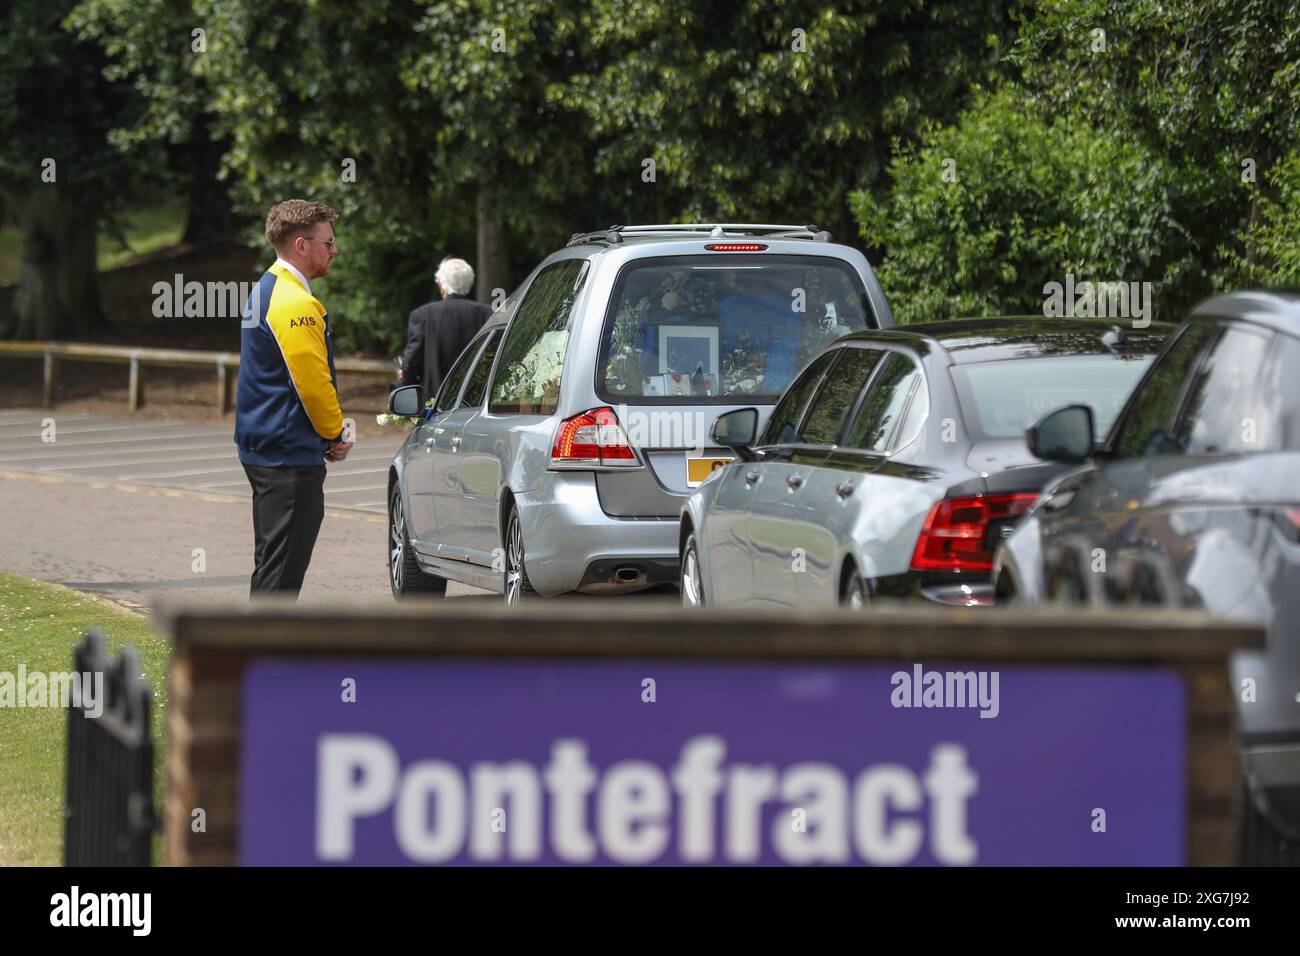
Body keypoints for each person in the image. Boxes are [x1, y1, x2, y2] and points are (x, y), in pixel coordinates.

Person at [233, 199, 352, 597]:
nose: (334, 250)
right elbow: (312, 383)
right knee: (281, 574)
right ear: (302, 245)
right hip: (287, 455)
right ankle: (261, 655)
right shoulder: (294, 302)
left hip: (266, 447)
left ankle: (254, 651)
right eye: (328, 241)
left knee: (271, 564)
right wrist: (334, 433)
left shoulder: (267, 288)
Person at [400, 257, 492, 399]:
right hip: (476, 401)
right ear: (471, 283)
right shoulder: (488, 313)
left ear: (441, 285)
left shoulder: (422, 315)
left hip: (434, 402)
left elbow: (412, 362)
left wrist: (404, 387)